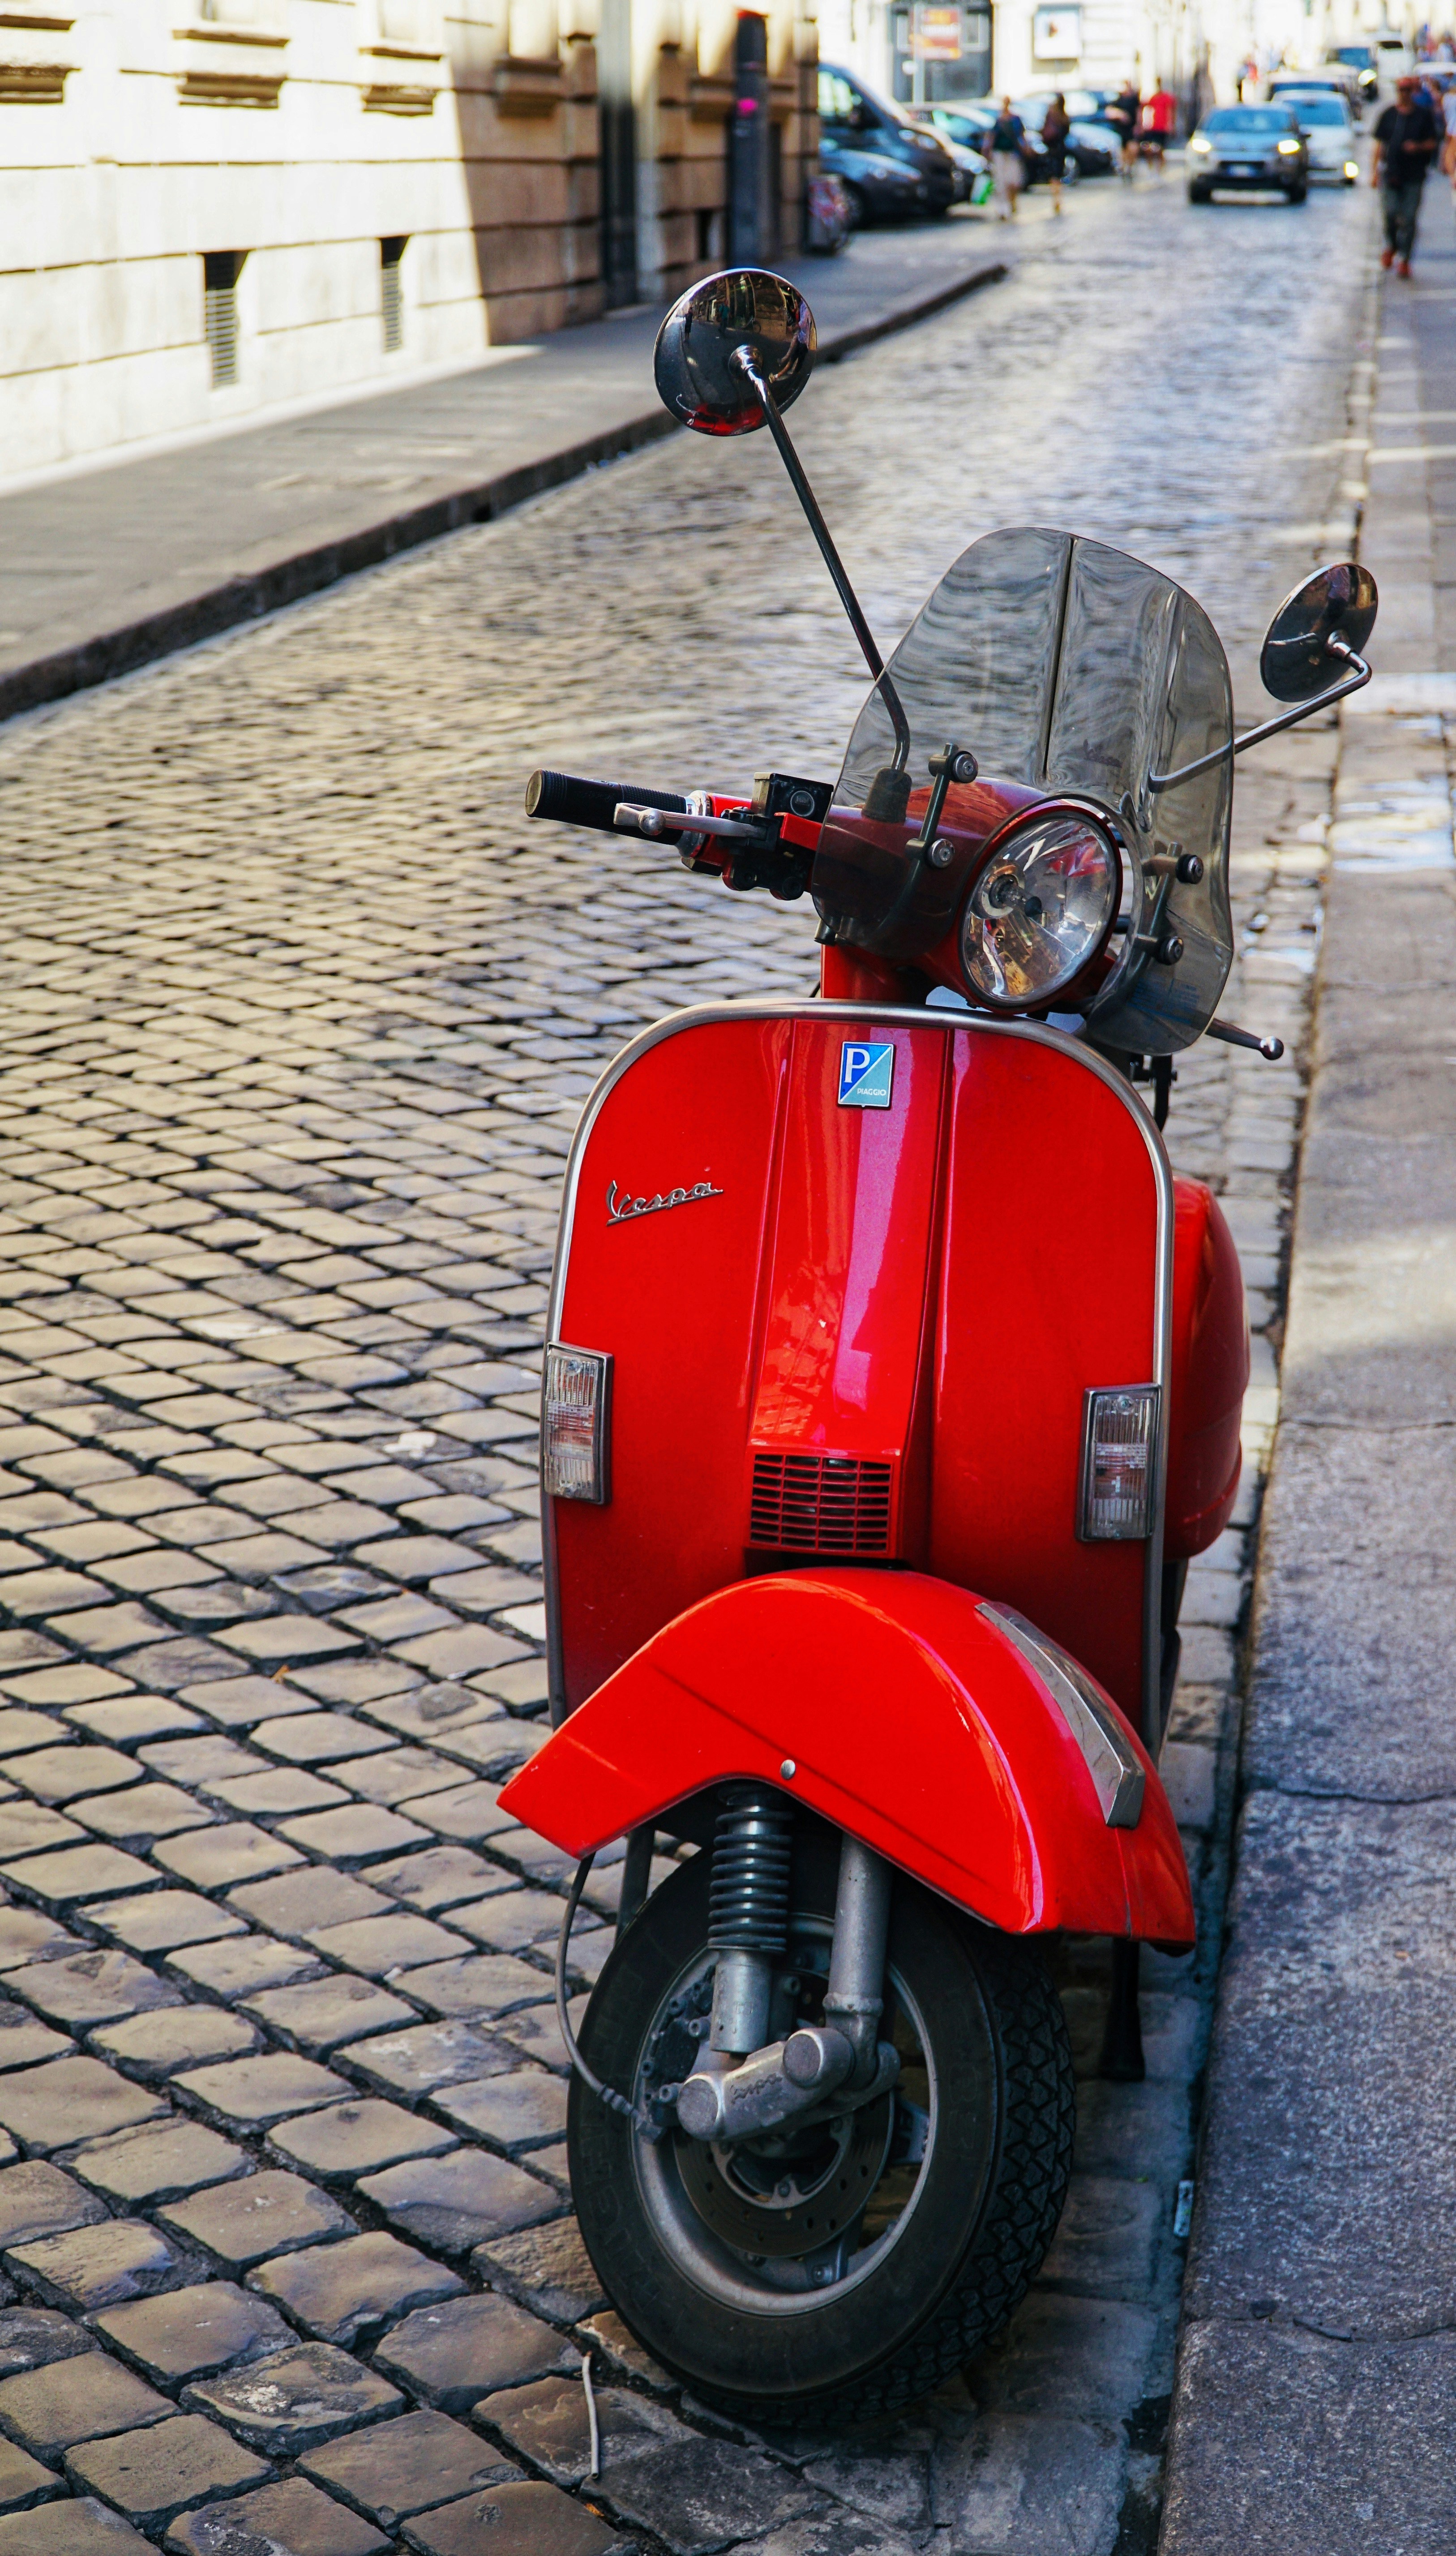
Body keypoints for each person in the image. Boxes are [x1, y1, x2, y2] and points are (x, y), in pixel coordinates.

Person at [1373, 72, 1440, 275]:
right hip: (1391, 174)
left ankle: (1405, 258)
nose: (1403, 94)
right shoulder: (1388, 115)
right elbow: (1379, 145)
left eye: (1407, 90)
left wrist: (1418, 147)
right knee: (1390, 215)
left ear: (1412, 92)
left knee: (1409, 218)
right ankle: (1392, 245)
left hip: (1414, 175)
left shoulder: (1423, 115)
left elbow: (1433, 143)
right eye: (1400, 90)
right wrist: (1375, 171)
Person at [989, 97, 1027, 219]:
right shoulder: (999, 120)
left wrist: (1026, 147)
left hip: (1013, 153)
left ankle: (1013, 202)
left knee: (1013, 180)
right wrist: (988, 149)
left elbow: (1022, 134)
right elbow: (992, 136)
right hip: (999, 153)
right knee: (1001, 181)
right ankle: (1003, 208)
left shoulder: (1015, 119)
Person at [1041, 90, 1071, 213]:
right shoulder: (1065, 117)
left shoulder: (1052, 115)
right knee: (1058, 175)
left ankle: (1056, 199)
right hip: (1061, 149)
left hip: (1052, 149)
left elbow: (1044, 131)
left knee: (1053, 176)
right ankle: (1058, 198)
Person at [1142, 78, 1177, 168]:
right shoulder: (1154, 97)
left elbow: (1171, 111)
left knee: (1160, 149)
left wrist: (1171, 125)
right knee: (1148, 148)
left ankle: (1161, 169)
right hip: (1153, 127)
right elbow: (1147, 108)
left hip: (1162, 127)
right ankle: (1151, 168)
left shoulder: (1167, 97)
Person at [1112, 77, 1142, 176]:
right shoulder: (1118, 99)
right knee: (1123, 148)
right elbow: (1111, 110)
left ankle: (1130, 165)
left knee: (1133, 147)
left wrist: (1139, 125)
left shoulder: (1134, 98)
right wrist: (1120, 115)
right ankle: (1125, 166)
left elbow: (1138, 112)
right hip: (1121, 127)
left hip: (1131, 126)